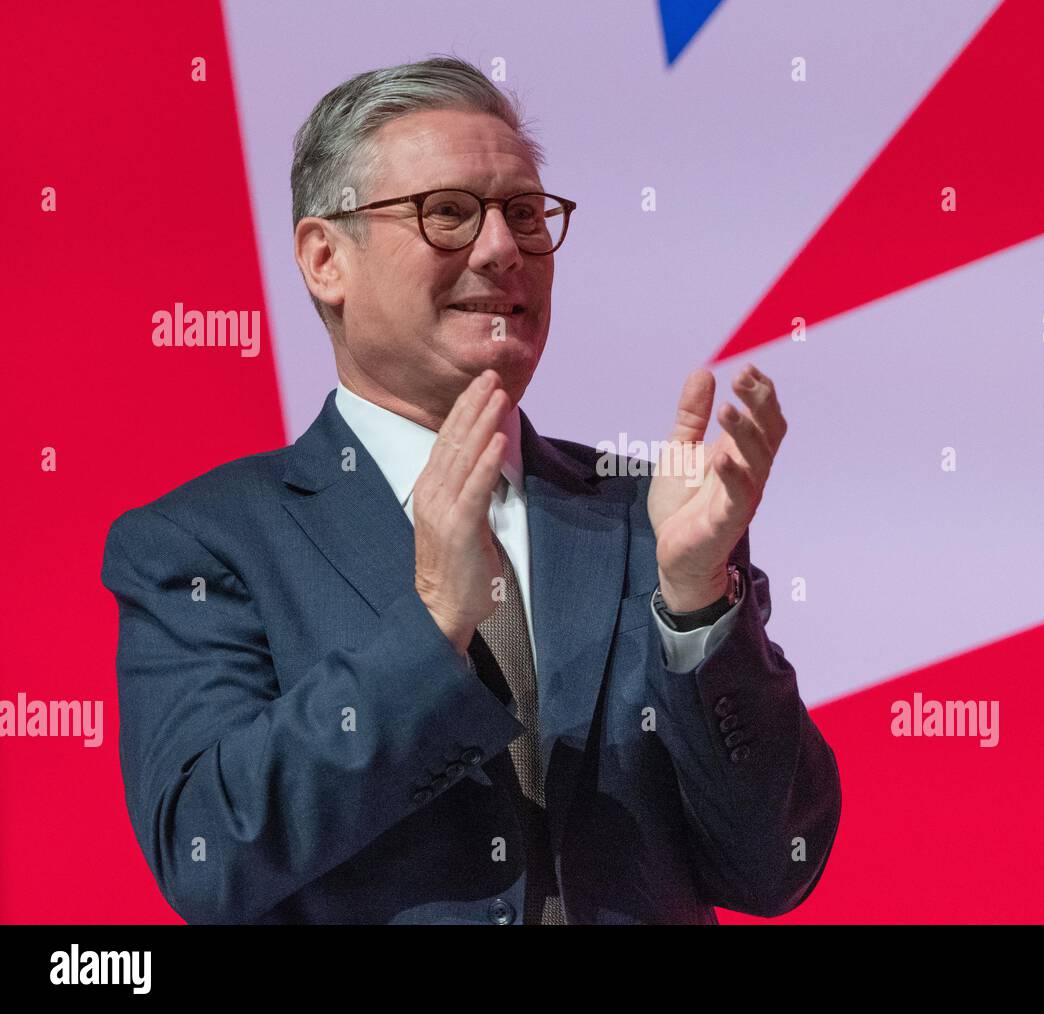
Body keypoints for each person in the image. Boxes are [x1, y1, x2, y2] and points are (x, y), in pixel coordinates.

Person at [101, 56, 841, 925]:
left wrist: (694, 609)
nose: (501, 248)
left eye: (524, 214)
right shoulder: (206, 542)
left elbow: (774, 867)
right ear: (324, 259)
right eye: (447, 214)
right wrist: (430, 624)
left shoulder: (650, 518)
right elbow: (208, 855)